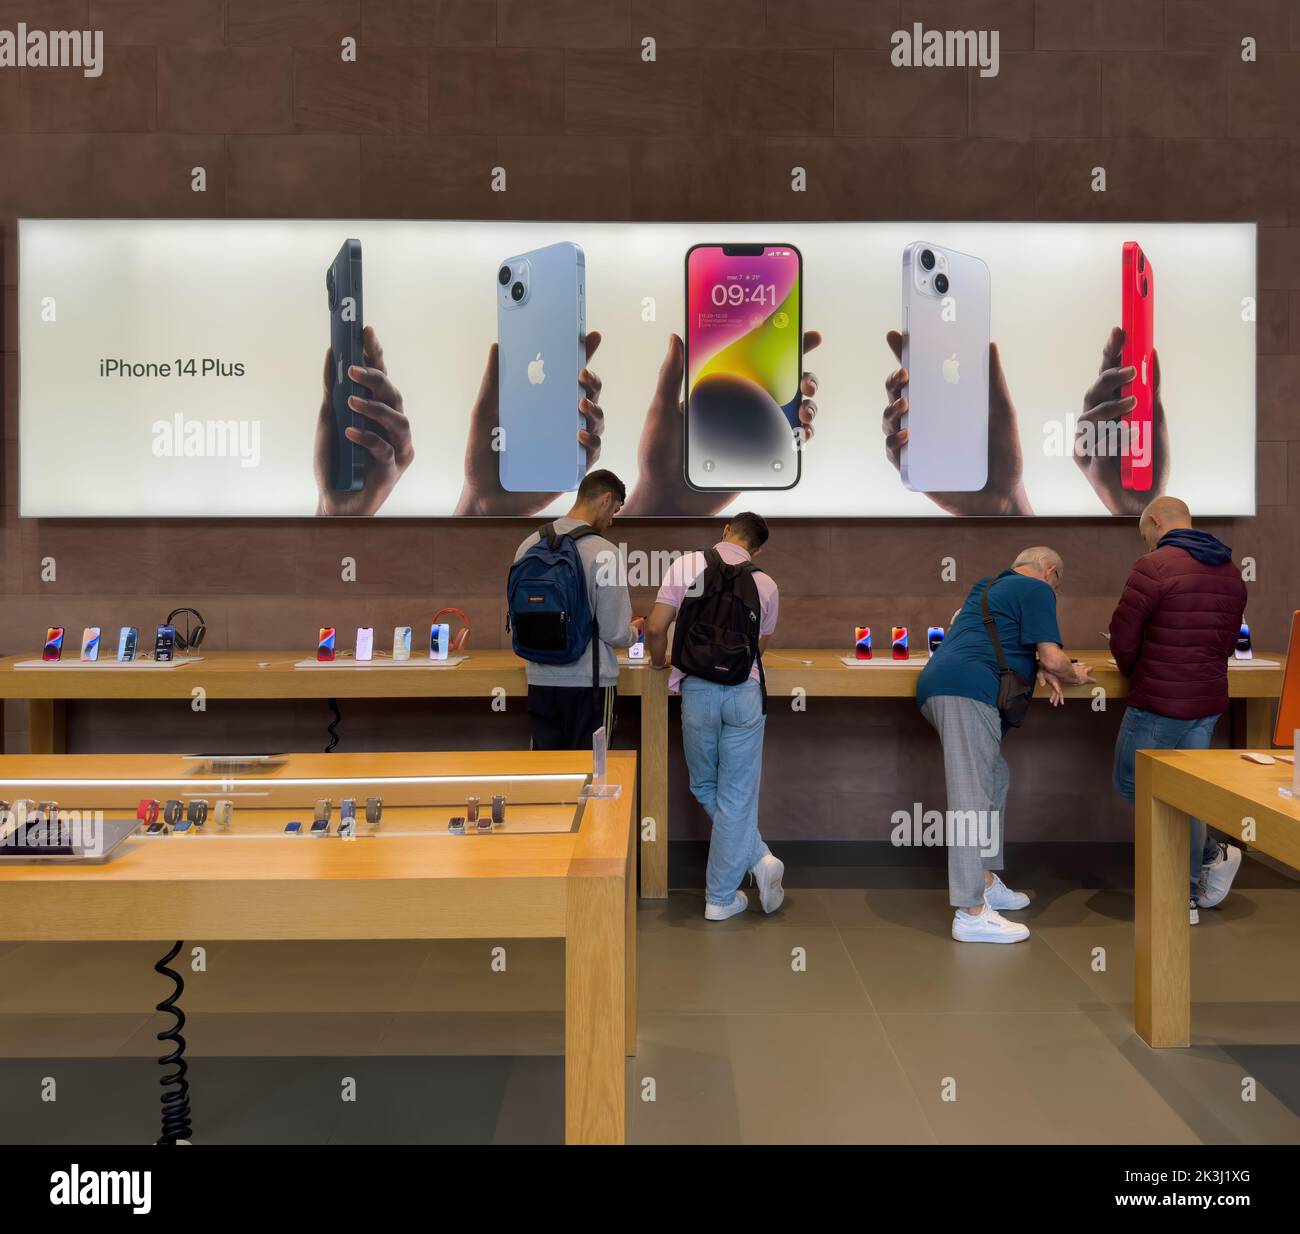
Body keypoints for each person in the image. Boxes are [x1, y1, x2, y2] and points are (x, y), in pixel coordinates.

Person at [916, 547, 1092, 943]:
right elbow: (1052, 653)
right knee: (970, 799)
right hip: (967, 691)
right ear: (1051, 573)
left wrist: (1038, 668)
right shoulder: (1038, 589)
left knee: (995, 778)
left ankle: (984, 878)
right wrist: (1071, 672)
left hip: (946, 683)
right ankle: (970, 911)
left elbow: (996, 638)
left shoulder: (988, 586)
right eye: (1058, 586)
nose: (1055, 594)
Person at [1109, 496, 1248, 924]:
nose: (1147, 542)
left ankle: (1199, 865)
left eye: (1145, 534)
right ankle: (1188, 891)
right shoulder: (1229, 570)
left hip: (1159, 700)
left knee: (1131, 781)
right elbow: (1226, 642)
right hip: (1206, 699)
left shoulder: (1153, 566)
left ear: (1154, 521)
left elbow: (1122, 634)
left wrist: (1136, 672)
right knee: (1181, 792)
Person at [644, 513, 783, 920]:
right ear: (756, 549)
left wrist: (659, 663)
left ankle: (729, 891)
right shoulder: (766, 584)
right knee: (736, 796)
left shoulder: (686, 566)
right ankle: (753, 864)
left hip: (697, 690)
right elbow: (761, 648)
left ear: (726, 531)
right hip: (743, 694)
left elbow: (655, 628)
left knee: (705, 784)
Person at [511, 470, 638, 750]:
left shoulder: (529, 544)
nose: (612, 521)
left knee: (548, 772)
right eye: (614, 510)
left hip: (540, 679)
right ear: (606, 500)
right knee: (593, 775)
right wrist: (633, 633)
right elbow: (614, 631)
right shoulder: (605, 552)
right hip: (589, 684)